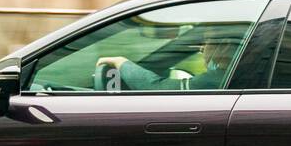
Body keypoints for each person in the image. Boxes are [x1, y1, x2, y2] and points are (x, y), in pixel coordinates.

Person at [94, 32, 240, 91]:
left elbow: (159, 88)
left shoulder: (217, 79)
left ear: (224, 45)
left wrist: (121, 63)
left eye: (206, 42)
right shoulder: (231, 76)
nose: (201, 49)